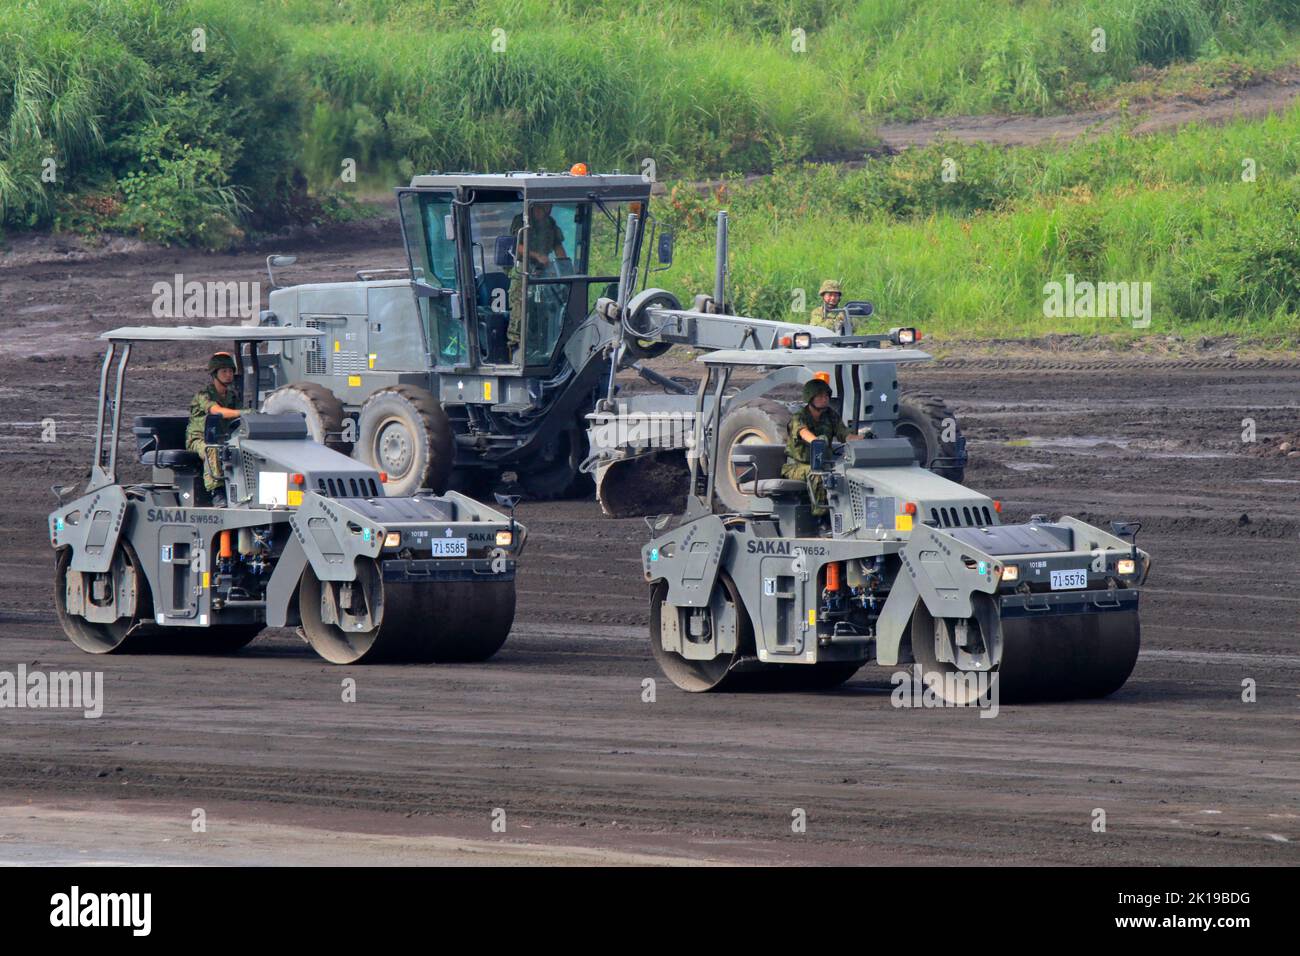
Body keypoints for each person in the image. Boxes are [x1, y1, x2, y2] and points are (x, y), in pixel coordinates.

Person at [507, 203, 570, 360]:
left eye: (550, 208)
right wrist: (537, 256)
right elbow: (518, 246)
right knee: (520, 313)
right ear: (534, 207)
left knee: (549, 310)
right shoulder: (521, 222)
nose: (548, 211)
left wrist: (567, 269)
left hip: (544, 273)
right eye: (544, 208)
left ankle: (545, 351)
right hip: (523, 273)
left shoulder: (550, 223)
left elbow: (558, 246)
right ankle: (515, 350)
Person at [782, 378, 852, 517]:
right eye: (820, 396)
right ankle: (821, 519)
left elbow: (845, 435)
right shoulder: (799, 417)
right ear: (810, 398)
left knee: (847, 474)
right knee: (819, 476)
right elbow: (802, 432)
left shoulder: (831, 416)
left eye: (826, 396)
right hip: (796, 467)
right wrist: (816, 441)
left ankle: (846, 516)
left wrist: (863, 438)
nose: (825, 399)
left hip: (824, 464)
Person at [185, 352, 242, 506]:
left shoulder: (233, 396)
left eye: (230, 371)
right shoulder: (203, 395)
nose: (229, 375)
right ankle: (217, 492)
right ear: (214, 374)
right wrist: (242, 413)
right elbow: (216, 411)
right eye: (224, 371)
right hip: (199, 440)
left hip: (224, 438)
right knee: (213, 449)